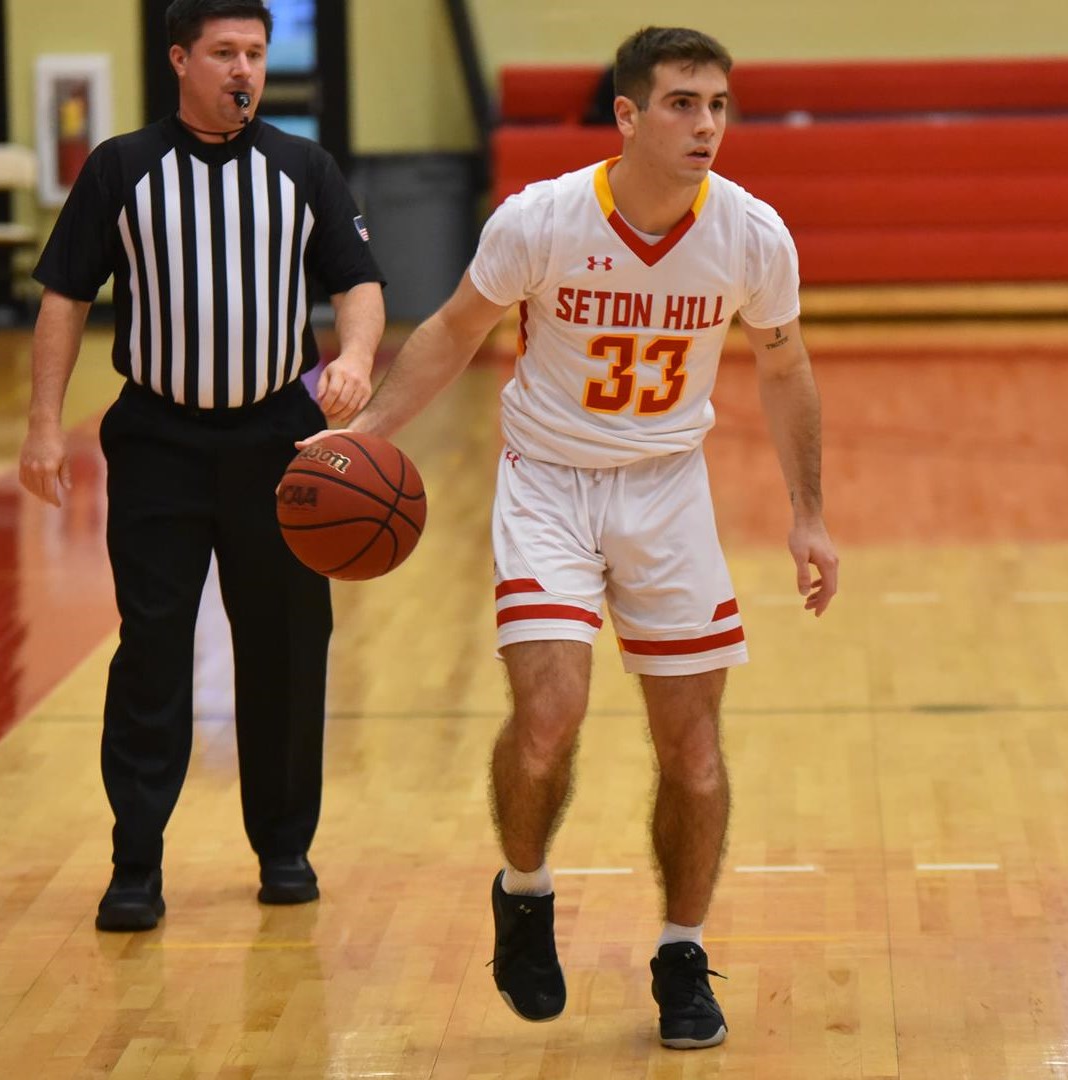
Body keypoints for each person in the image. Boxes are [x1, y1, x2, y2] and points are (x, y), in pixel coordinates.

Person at [305, 25, 837, 1049]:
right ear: (627, 116)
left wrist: (808, 512)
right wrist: (365, 434)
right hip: (548, 483)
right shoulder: (541, 219)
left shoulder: (751, 234)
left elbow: (783, 365)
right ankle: (525, 892)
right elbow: (456, 329)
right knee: (548, 717)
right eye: (682, 103)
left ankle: (683, 953)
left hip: (667, 491)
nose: (707, 126)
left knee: (693, 749)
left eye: (718, 105)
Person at [17, 0, 386, 933]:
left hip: (278, 442)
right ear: (180, 59)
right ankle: (136, 862)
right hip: (159, 442)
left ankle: (285, 848)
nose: (243, 69)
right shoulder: (121, 168)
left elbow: (358, 281)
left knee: (288, 646)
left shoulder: (304, 167)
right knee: (152, 649)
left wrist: (354, 356)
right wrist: (43, 424)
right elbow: (64, 296)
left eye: (255, 52)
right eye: (224, 51)